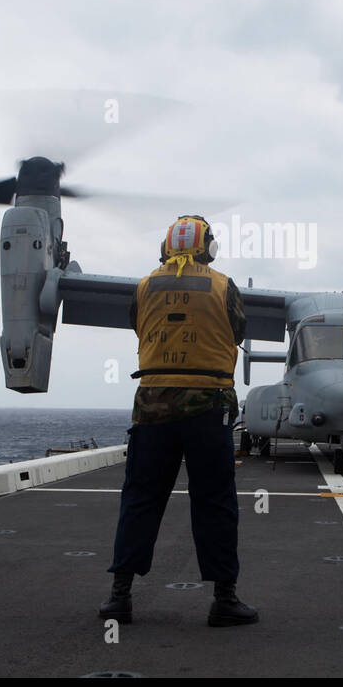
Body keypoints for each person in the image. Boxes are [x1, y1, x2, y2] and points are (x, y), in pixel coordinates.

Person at [99, 215, 259, 627]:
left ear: (166, 246)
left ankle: (120, 597)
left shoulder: (145, 285)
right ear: (208, 247)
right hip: (209, 406)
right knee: (215, 501)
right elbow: (239, 329)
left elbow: (136, 324)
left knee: (140, 498)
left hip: (153, 405)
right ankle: (224, 600)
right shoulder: (224, 286)